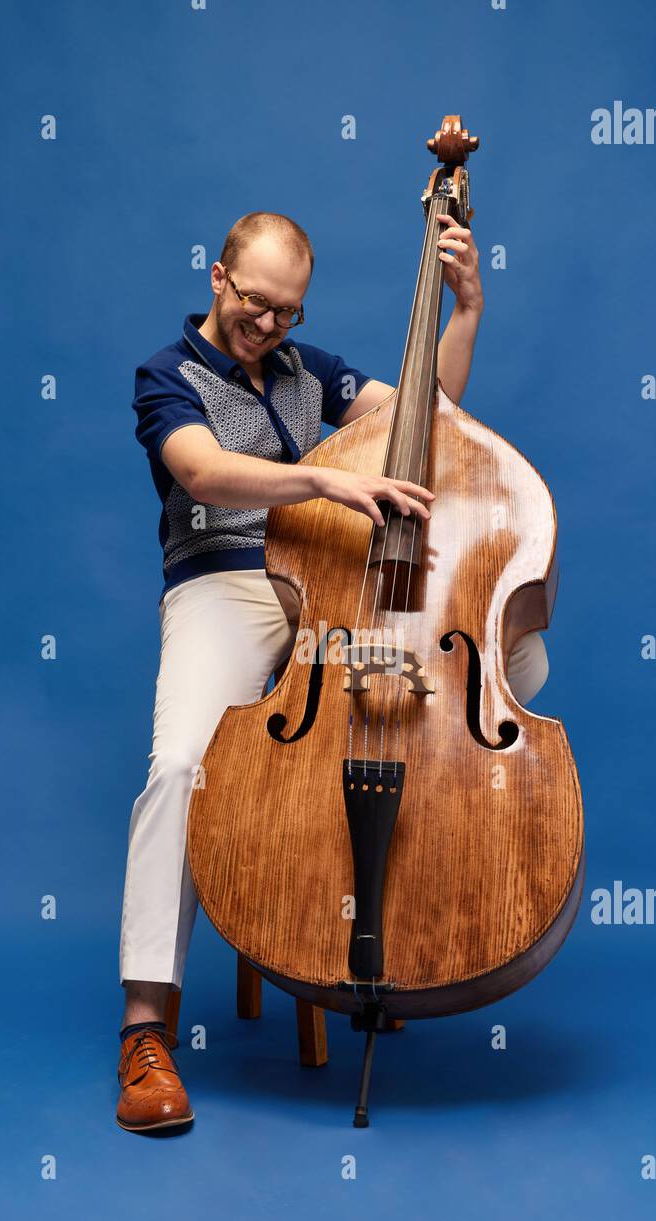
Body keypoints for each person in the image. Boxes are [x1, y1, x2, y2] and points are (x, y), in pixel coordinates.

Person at [116, 210, 549, 1132]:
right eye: (255, 304)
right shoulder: (168, 377)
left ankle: (373, 948)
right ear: (216, 278)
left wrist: (461, 311)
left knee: (500, 663)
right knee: (182, 766)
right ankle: (146, 1026)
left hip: (324, 581)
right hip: (226, 585)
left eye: (288, 314)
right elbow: (202, 474)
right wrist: (321, 480)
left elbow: (429, 427)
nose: (269, 327)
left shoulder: (312, 374)